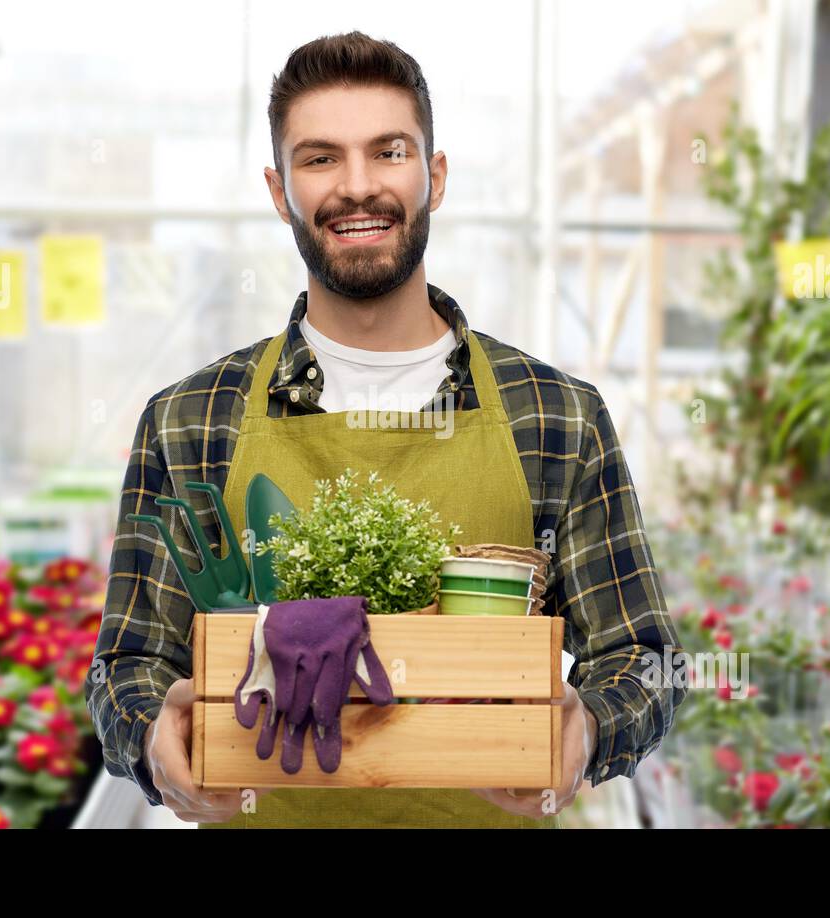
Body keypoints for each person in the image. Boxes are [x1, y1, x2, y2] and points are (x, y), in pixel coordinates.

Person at [84, 30, 685, 829]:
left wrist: (587, 729)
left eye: (389, 151)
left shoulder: (555, 413)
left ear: (434, 176)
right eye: (320, 158)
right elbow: (128, 665)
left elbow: (647, 659)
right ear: (279, 189)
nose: (357, 187)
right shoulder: (194, 418)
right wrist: (153, 739)